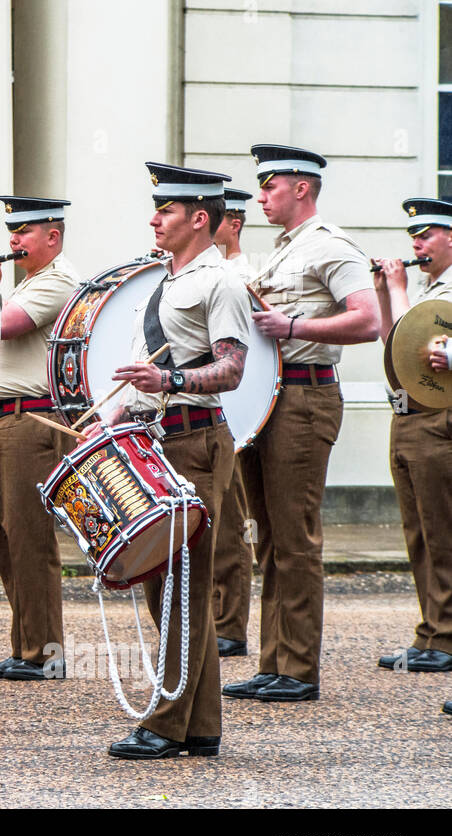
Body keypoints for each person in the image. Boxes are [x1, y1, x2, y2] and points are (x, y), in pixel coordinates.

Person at [90, 162, 250, 759]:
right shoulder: (163, 281)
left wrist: (168, 377)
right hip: (158, 439)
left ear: (199, 218)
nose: (154, 218)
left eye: (167, 211)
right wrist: (111, 425)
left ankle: (164, 723)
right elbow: (143, 378)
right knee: (168, 584)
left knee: (183, 584)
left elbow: (232, 369)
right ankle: (201, 724)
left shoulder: (221, 282)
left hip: (197, 440)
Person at [223, 145, 380, 703]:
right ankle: (275, 660)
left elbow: (368, 320)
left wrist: (290, 325)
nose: (261, 196)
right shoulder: (283, 252)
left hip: (305, 397)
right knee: (270, 537)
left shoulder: (330, 246)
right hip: (270, 399)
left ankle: (297, 667)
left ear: (302, 188)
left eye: (270, 186)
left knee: (295, 536)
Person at [0, 196, 78, 681]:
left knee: (30, 540)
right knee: (4, 538)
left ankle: (45, 652)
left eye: (25, 232)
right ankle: (26, 646)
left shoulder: (57, 281)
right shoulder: (28, 283)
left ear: (52, 238)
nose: (13, 240)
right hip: (0, 419)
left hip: (31, 422)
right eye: (12, 231)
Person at [371, 197, 452, 674]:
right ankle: (430, 632)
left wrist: (399, 288)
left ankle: (445, 636)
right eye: (413, 236)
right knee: (419, 533)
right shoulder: (425, 288)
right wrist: (386, 293)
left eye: (426, 235)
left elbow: (419, 345)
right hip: (406, 416)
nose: (416, 244)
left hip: (437, 420)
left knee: (442, 533)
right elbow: (393, 345)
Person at [211, 187, 256, 657]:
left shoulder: (241, 276)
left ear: (232, 224)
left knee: (232, 524)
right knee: (214, 519)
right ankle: (217, 617)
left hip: (234, 411)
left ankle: (231, 623)